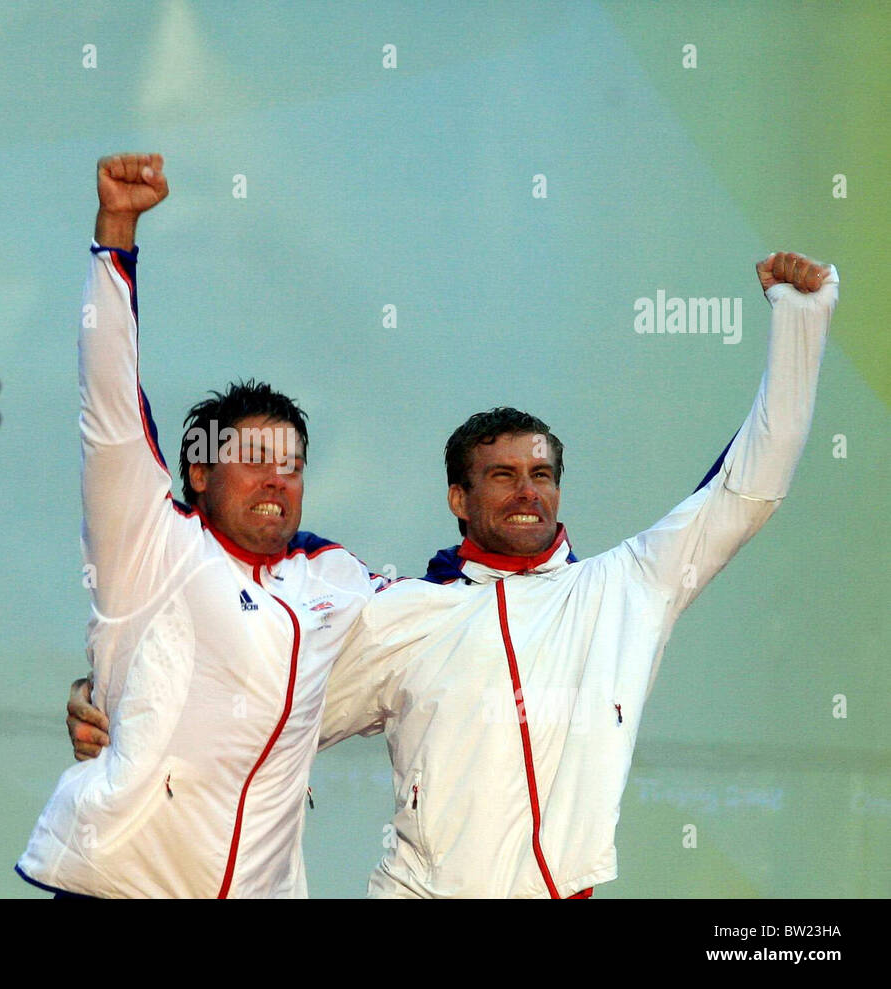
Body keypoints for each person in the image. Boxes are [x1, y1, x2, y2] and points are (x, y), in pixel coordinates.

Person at [69, 251, 839, 898]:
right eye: (501, 475)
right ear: (459, 499)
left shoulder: (628, 587)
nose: (528, 490)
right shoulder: (401, 613)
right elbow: (253, 700)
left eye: (541, 472)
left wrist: (801, 319)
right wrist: (116, 708)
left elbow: (752, 484)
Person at [16, 153, 383, 898]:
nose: (277, 476)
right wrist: (116, 230)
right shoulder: (150, 540)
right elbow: (110, 400)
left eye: (292, 463)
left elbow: (451, 627)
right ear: (199, 472)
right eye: (252, 458)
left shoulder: (336, 581)